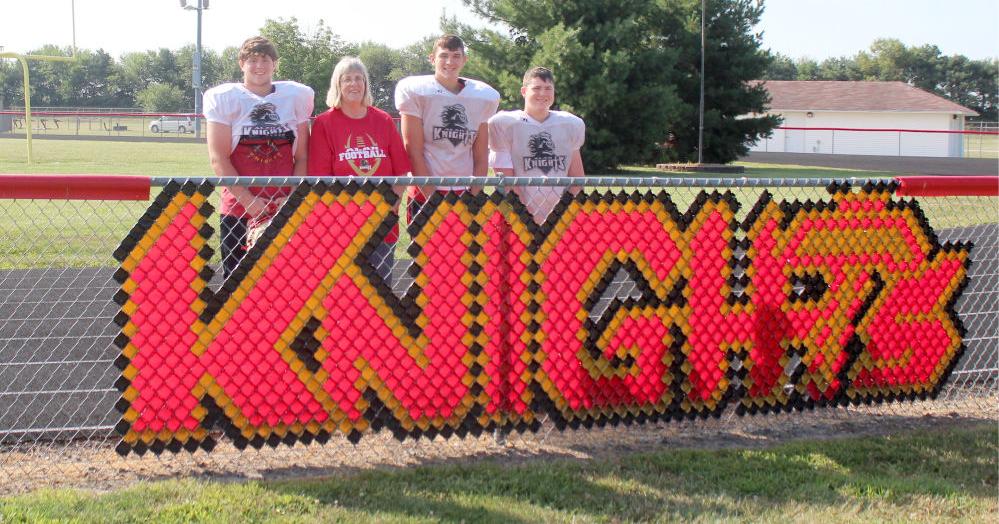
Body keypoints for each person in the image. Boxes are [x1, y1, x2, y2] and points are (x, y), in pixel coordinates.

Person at [204, 36, 314, 278]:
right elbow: (219, 159)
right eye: (252, 60)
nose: (259, 66)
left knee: (289, 286)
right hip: (239, 209)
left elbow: (303, 157)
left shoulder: (294, 96)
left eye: (265, 59)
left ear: (275, 64)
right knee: (238, 286)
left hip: (283, 206)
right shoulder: (225, 99)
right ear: (241, 63)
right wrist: (248, 201)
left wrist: (292, 200)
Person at [308, 56, 411, 281]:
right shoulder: (325, 123)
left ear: (365, 84)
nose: (354, 84)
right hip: (343, 226)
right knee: (343, 294)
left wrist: (391, 203)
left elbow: (401, 171)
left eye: (359, 79)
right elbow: (321, 179)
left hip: (383, 222)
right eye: (347, 79)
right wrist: (350, 214)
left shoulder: (383, 120)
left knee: (381, 292)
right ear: (338, 84)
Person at [394, 34, 499, 211]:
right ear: (432, 59)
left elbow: (481, 156)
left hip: (463, 190)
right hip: (424, 190)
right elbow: (413, 150)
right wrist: (431, 198)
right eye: (444, 55)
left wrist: (474, 195)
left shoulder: (482, 97)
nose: (450, 62)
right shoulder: (417, 92)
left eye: (456, 56)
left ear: (464, 60)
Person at [487, 67, 585, 224]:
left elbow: (577, 179)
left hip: (560, 218)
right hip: (515, 216)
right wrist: (525, 220)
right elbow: (506, 181)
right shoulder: (505, 123)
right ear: (524, 91)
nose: (543, 93)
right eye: (537, 88)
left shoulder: (570, 124)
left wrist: (563, 215)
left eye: (548, 88)